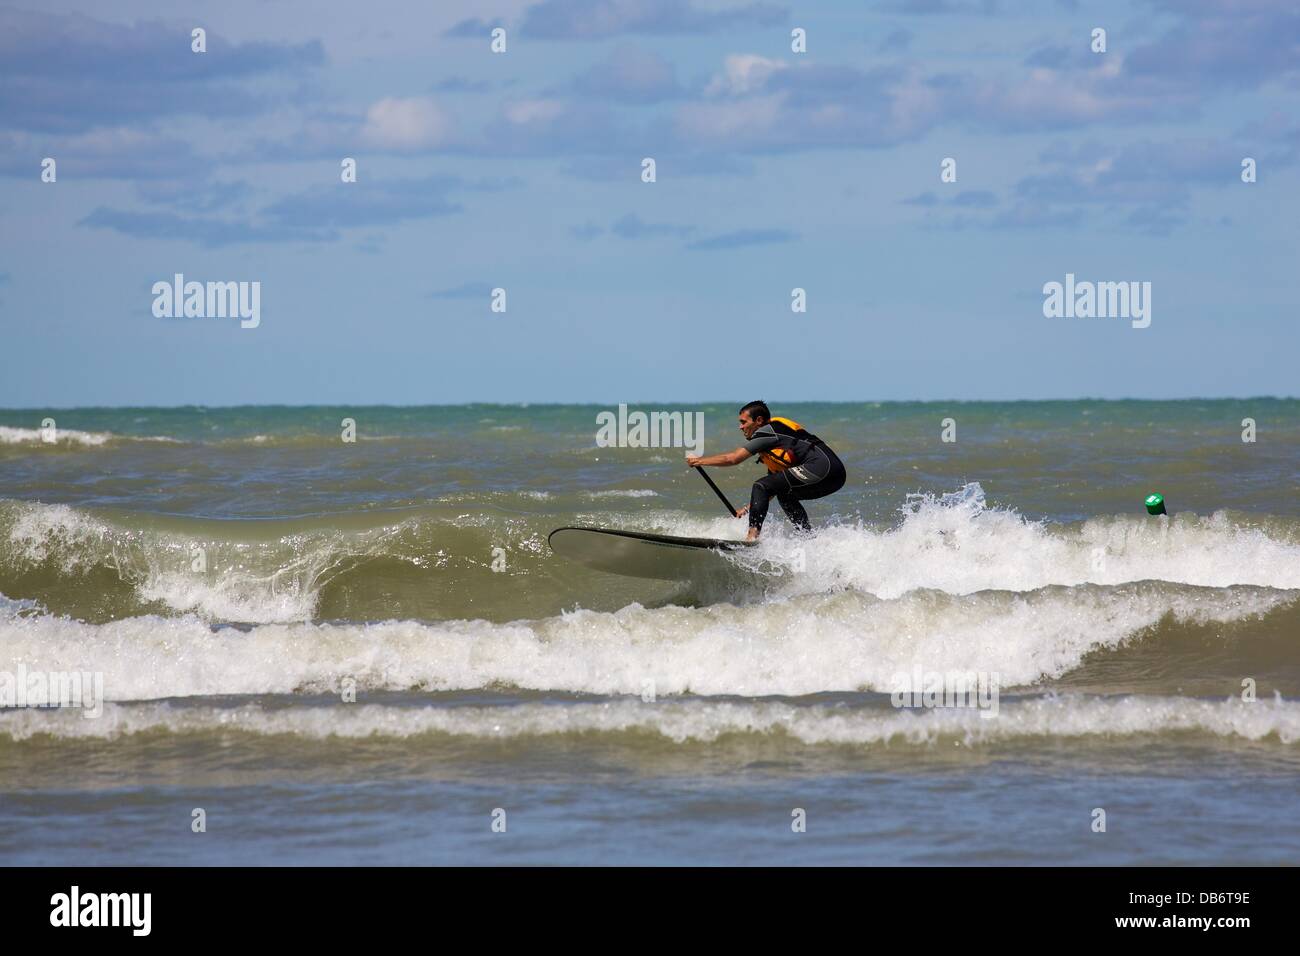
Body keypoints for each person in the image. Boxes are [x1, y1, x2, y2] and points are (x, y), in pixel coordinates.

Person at [686, 401, 846, 540]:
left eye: (743, 422)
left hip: (822, 468)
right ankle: (807, 538)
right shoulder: (778, 443)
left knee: (760, 485)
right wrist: (746, 510)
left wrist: (699, 461)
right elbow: (771, 490)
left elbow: (733, 458)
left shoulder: (767, 432)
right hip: (835, 476)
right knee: (784, 494)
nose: (740, 427)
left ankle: (751, 538)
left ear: (759, 421)